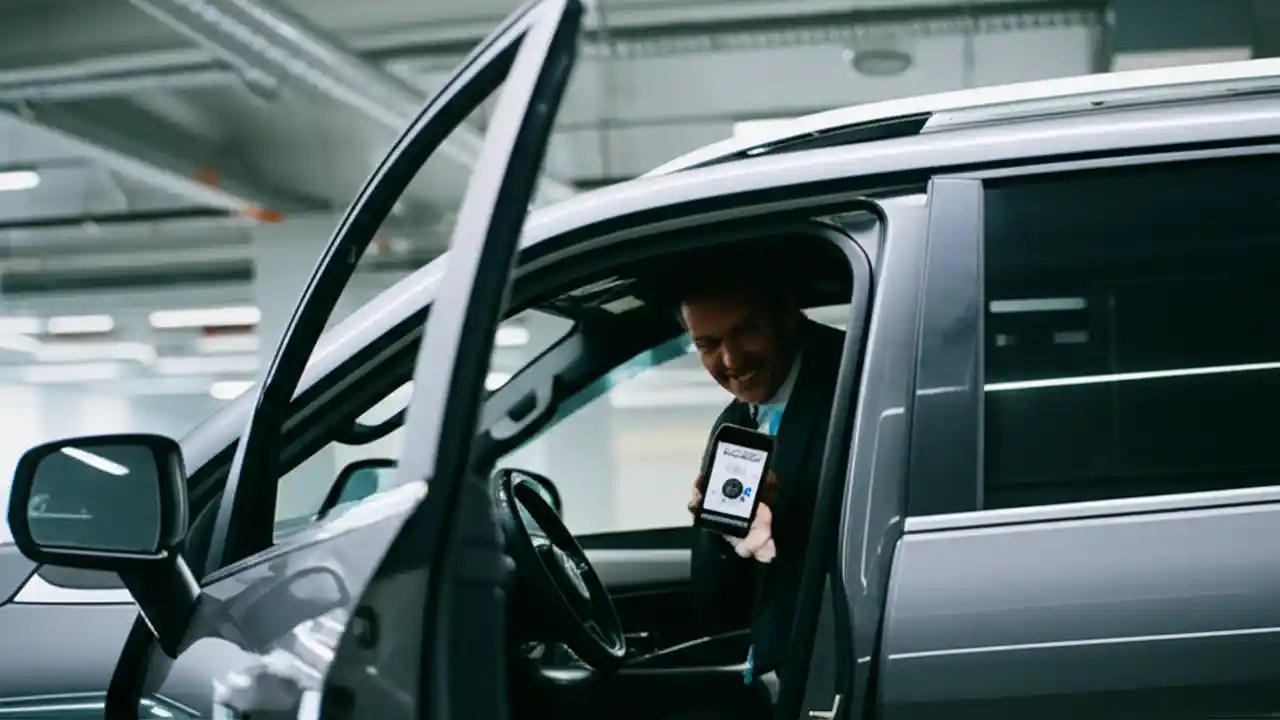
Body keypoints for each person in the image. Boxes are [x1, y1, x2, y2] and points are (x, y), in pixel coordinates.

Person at [674, 261, 846, 703]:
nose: (730, 361)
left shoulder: (856, 378)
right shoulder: (733, 424)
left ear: (786, 314)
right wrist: (725, 533)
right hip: (777, 672)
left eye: (746, 330)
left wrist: (781, 514)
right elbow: (719, 601)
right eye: (708, 344)